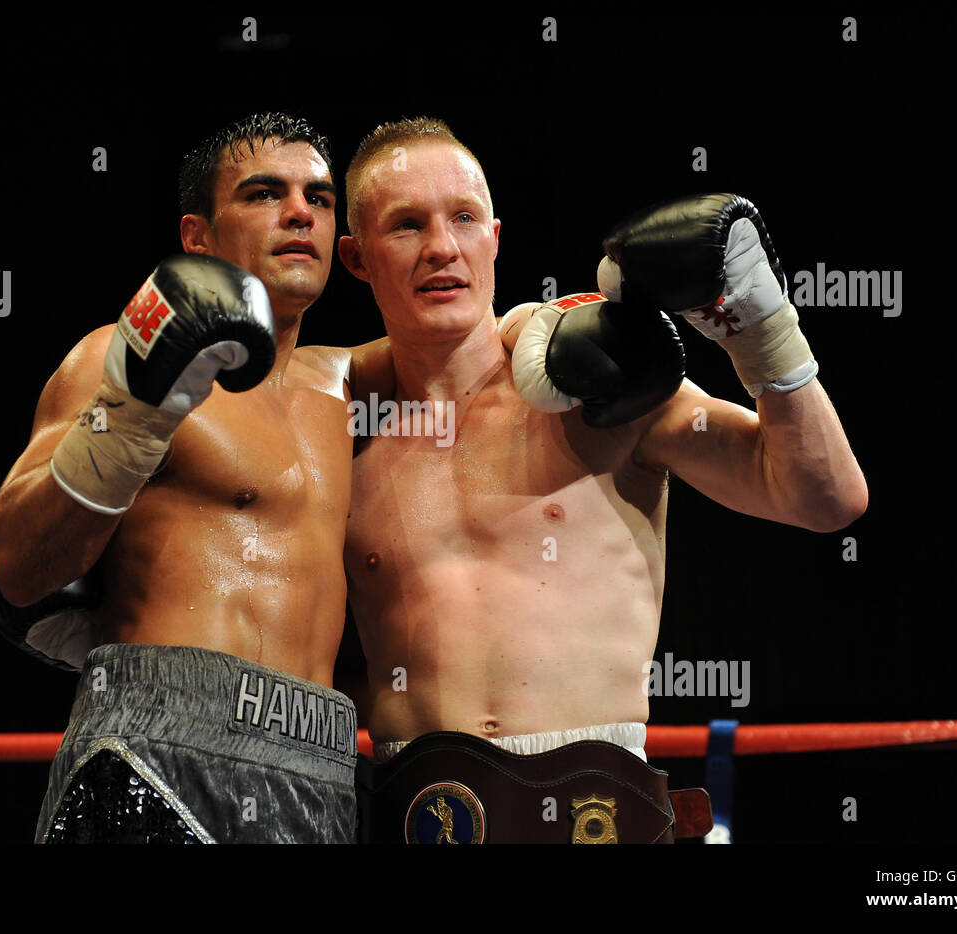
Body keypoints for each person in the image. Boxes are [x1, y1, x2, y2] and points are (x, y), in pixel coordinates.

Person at [334, 118, 867, 843]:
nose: (441, 248)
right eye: (406, 225)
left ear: (495, 237)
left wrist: (762, 334)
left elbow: (826, 499)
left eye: (462, 218)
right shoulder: (333, 419)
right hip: (419, 814)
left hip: (602, 815)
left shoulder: (605, 389)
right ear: (356, 258)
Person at [0, 113, 364, 844]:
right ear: (197, 237)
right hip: (156, 752)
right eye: (263, 193)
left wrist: (548, 326)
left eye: (318, 198)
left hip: (321, 774)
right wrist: (131, 417)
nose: (299, 212)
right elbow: (17, 564)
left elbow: (472, 354)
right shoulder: (116, 353)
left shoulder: (357, 387)